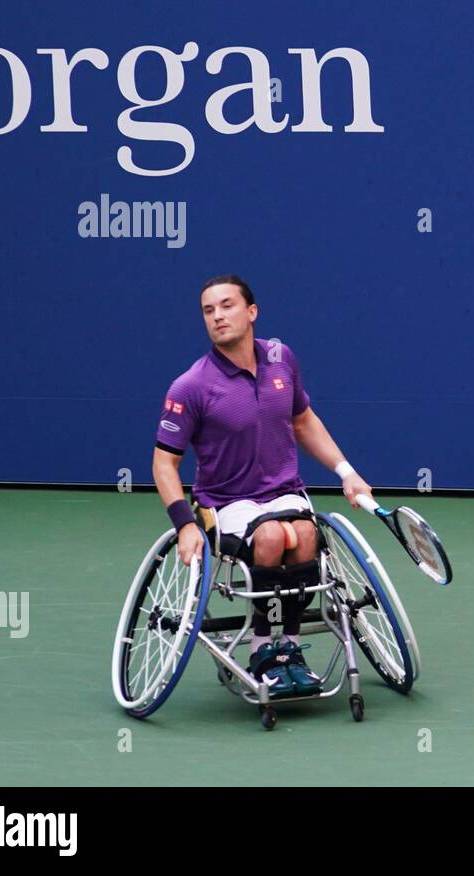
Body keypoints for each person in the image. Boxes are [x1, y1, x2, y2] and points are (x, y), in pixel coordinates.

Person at [152, 274, 373, 698]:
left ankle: (288, 649)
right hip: (226, 501)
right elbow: (165, 462)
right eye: (208, 310)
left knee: (306, 535)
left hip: (284, 490)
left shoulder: (281, 358)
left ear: (251, 312)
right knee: (272, 537)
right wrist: (183, 524)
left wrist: (346, 472)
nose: (217, 316)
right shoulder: (191, 386)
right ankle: (261, 650)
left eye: (227, 305)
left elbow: (304, 421)